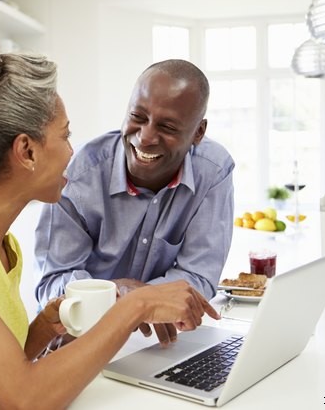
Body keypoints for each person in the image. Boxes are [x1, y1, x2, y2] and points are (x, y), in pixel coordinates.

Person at [0, 40, 219, 409]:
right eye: (65, 135)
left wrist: (41, 332)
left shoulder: (1, 244)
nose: (73, 151)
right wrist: (135, 305)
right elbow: (24, 398)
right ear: (27, 151)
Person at [35, 59, 234, 345]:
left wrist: (142, 301)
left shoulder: (213, 170)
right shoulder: (77, 175)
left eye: (167, 126)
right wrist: (118, 294)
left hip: (157, 342)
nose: (146, 137)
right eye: (138, 117)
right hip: (81, 342)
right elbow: (50, 286)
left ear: (198, 133)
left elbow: (198, 276)